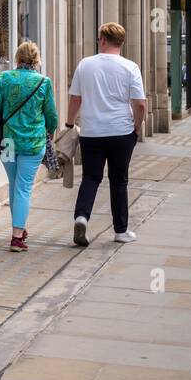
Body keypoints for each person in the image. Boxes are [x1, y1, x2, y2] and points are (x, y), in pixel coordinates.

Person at [67, 22, 147, 246]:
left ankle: (82, 217)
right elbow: (140, 103)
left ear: (102, 39)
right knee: (119, 181)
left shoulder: (85, 65)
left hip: (92, 132)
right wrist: (136, 127)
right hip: (121, 132)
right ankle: (121, 231)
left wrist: (68, 124)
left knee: (91, 177)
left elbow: (75, 99)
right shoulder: (130, 67)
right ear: (121, 42)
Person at [0, 40, 57, 252]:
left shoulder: (5, 78)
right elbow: (51, 115)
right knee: (23, 187)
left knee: (14, 184)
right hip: (33, 142)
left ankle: (19, 227)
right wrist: (51, 131)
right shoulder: (43, 82)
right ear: (37, 60)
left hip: (8, 141)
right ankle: (17, 235)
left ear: (17, 58)